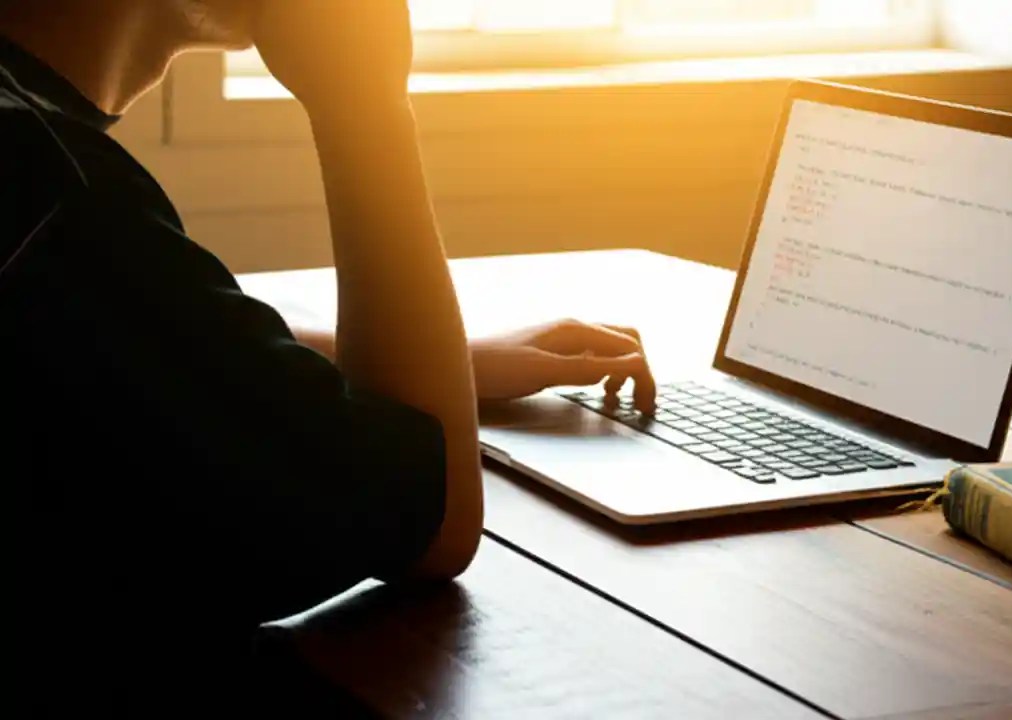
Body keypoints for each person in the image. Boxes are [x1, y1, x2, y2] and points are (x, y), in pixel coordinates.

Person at [1, 0, 656, 714]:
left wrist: (446, 363)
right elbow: (431, 522)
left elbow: (161, 334)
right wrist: (364, 98)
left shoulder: (42, 167)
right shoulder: (62, 199)